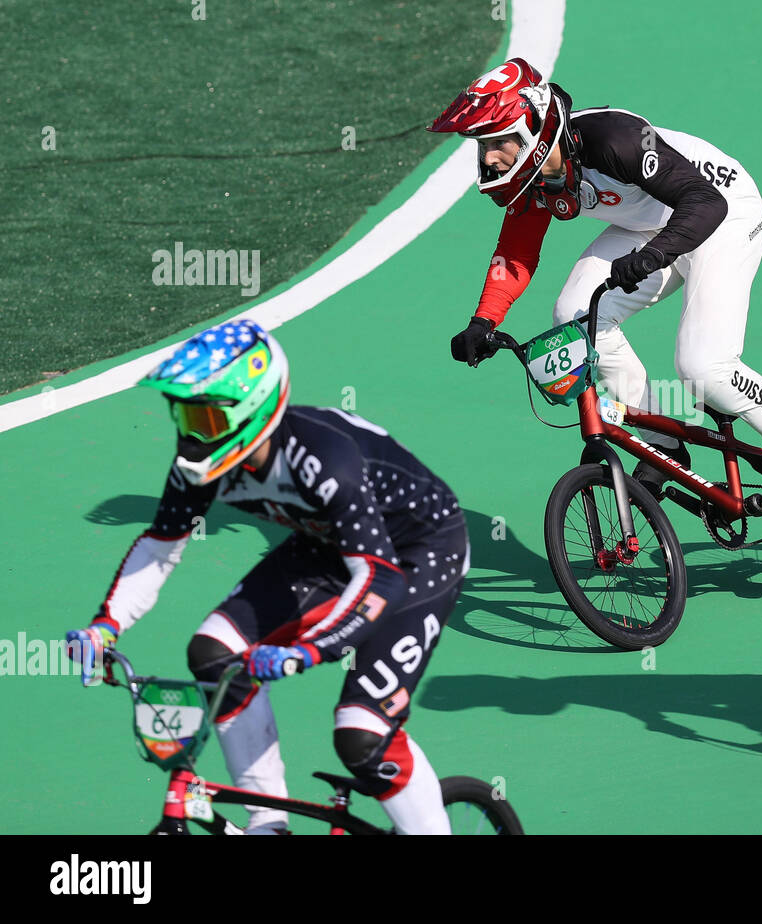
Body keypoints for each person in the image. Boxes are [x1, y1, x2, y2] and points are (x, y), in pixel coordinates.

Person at [66, 320, 466, 834]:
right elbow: (162, 543)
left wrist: (309, 650)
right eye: (185, 415)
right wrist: (106, 627)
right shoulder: (204, 462)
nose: (191, 435)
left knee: (362, 735)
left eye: (206, 417)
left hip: (416, 554)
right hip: (330, 548)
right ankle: (267, 822)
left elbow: (379, 579)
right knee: (213, 653)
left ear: (251, 410)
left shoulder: (323, 461)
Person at [426, 58, 762, 538]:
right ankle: (662, 443)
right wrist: (484, 320)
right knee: (574, 318)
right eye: (483, 146)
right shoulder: (536, 175)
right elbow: (515, 253)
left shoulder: (614, 139)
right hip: (652, 226)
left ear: (535, 125)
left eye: (498, 142)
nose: (490, 157)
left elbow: (707, 204)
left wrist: (653, 256)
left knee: (703, 367)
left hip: (724, 215)